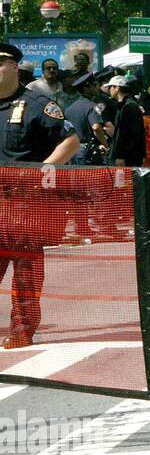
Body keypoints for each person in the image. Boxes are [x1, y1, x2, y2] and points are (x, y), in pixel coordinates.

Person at [0, 42, 81, 348]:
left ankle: (22, 330)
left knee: (25, 271)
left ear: (15, 68)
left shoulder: (37, 104)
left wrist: (42, 170)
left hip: (24, 203)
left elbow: (70, 141)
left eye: (1, 63)